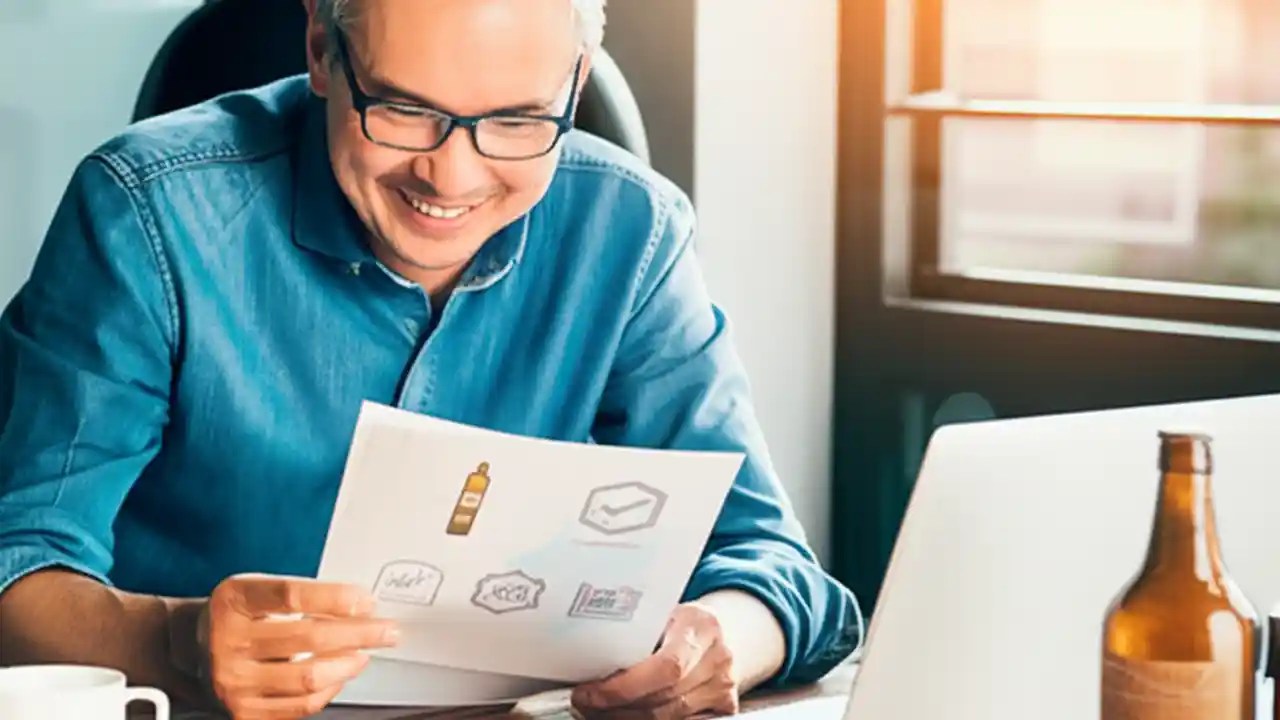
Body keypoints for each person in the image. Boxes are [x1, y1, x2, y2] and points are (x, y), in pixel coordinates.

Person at [0, 0, 863, 717]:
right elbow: (17, 568)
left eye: (519, 122)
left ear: (572, 82)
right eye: (404, 109)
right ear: (321, 52)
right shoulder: (149, 212)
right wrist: (180, 641)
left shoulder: (632, 232)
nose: (450, 178)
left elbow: (777, 570)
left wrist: (718, 645)